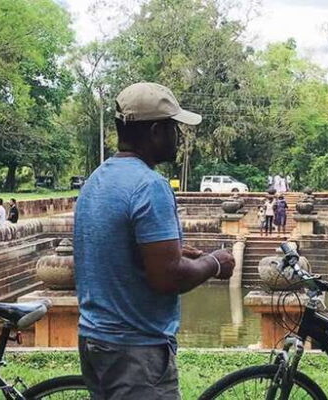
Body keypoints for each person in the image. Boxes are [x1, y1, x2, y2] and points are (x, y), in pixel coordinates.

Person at [74, 82, 235, 400]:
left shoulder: (97, 179)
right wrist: (215, 263)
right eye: (174, 127)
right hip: (136, 351)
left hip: (95, 339)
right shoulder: (150, 186)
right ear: (156, 132)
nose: (179, 137)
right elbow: (167, 278)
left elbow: (112, 249)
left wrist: (172, 252)